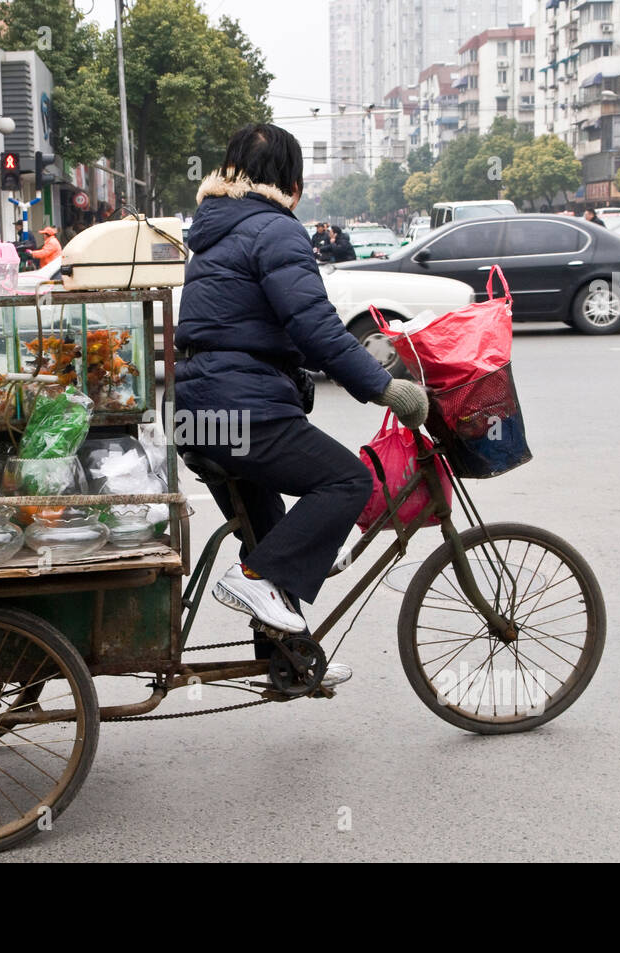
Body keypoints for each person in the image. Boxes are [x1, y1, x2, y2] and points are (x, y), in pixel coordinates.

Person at [175, 122, 427, 682]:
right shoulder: (275, 229)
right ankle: (255, 581)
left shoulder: (216, 230)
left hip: (201, 415)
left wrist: (291, 375)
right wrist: (383, 386)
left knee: (269, 535)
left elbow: (247, 327)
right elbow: (315, 327)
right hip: (241, 410)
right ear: (292, 181)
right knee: (346, 482)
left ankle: (288, 663)